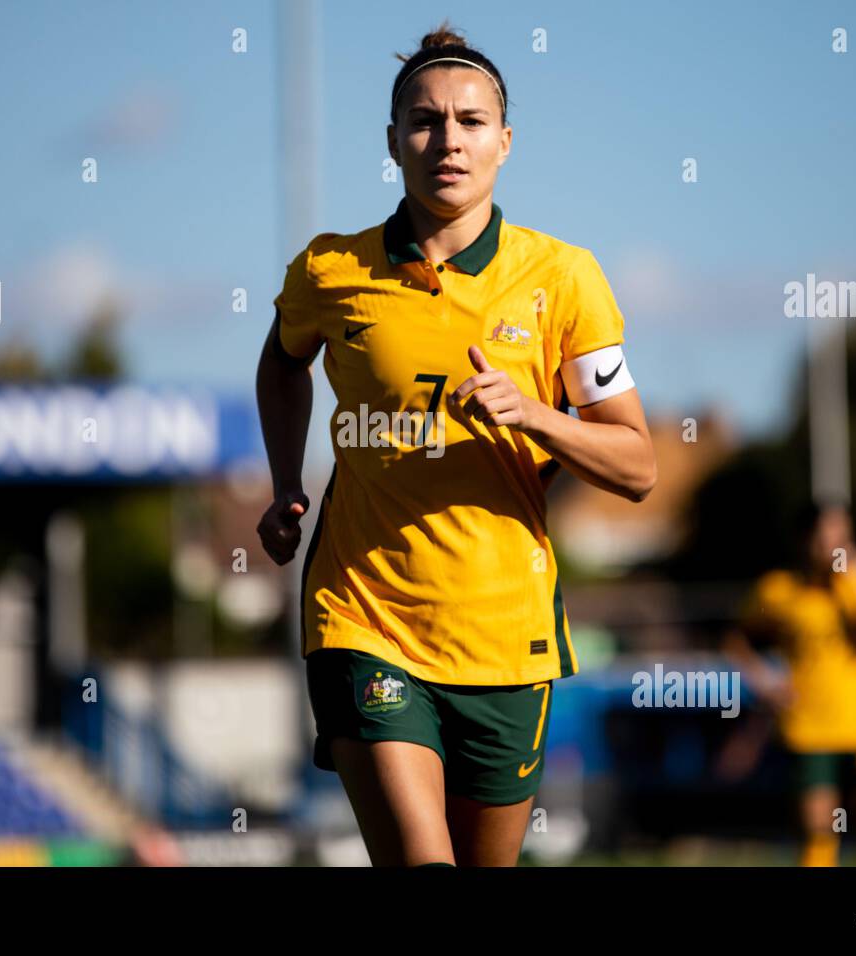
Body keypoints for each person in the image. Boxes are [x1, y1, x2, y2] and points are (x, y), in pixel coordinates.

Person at [256, 23, 656, 866]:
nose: (448, 140)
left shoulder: (564, 278)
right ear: (393, 141)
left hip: (507, 639)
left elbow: (639, 466)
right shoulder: (330, 271)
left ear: (505, 143)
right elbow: (283, 362)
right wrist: (286, 482)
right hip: (364, 619)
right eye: (426, 120)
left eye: (471, 121)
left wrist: (539, 416)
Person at [723, 500, 856, 866]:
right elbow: (736, 640)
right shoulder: (778, 590)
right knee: (819, 834)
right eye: (826, 535)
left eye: (841, 534)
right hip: (809, 729)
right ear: (805, 539)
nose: (835, 544)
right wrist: (765, 682)